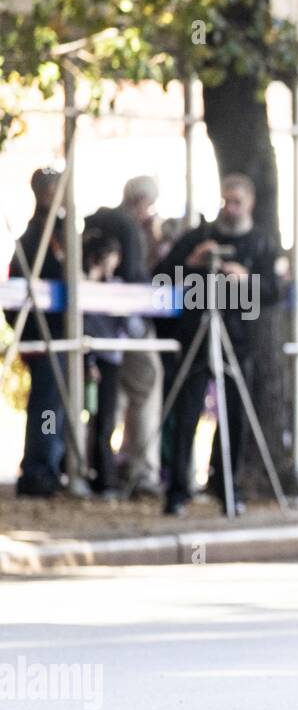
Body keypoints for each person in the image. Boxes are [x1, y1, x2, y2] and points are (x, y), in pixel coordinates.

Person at [153, 172, 280, 516]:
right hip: (197, 334)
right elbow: (161, 275)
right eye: (226, 201)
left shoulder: (261, 243)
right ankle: (178, 490)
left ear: (250, 203)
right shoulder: (199, 237)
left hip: (238, 339)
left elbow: (273, 291)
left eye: (237, 202)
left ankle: (226, 486)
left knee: (235, 416)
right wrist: (191, 263)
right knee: (187, 412)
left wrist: (245, 278)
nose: (231, 208)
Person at [84, 175, 164, 497]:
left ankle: (98, 466)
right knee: (146, 384)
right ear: (142, 202)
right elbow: (135, 279)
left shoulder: (101, 223)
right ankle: (141, 469)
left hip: (99, 330)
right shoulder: (129, 229)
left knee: (107, 402)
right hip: (124, 327)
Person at [7, 168, 67, 498]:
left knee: (52, 405)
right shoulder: (36, 238)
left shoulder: (58, 230)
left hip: (54, 333)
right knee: (46, 406)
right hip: (44, 334)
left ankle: (49, 463)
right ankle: (38, 467)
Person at [80, 227, 126, 497]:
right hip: (90, 356)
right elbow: (81, 324)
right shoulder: (83, 286)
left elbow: (129, 323)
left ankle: (105, 476)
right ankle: (92, 473)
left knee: (106, 419)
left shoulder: (117, 287)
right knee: (90, 417)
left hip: (110, 358)